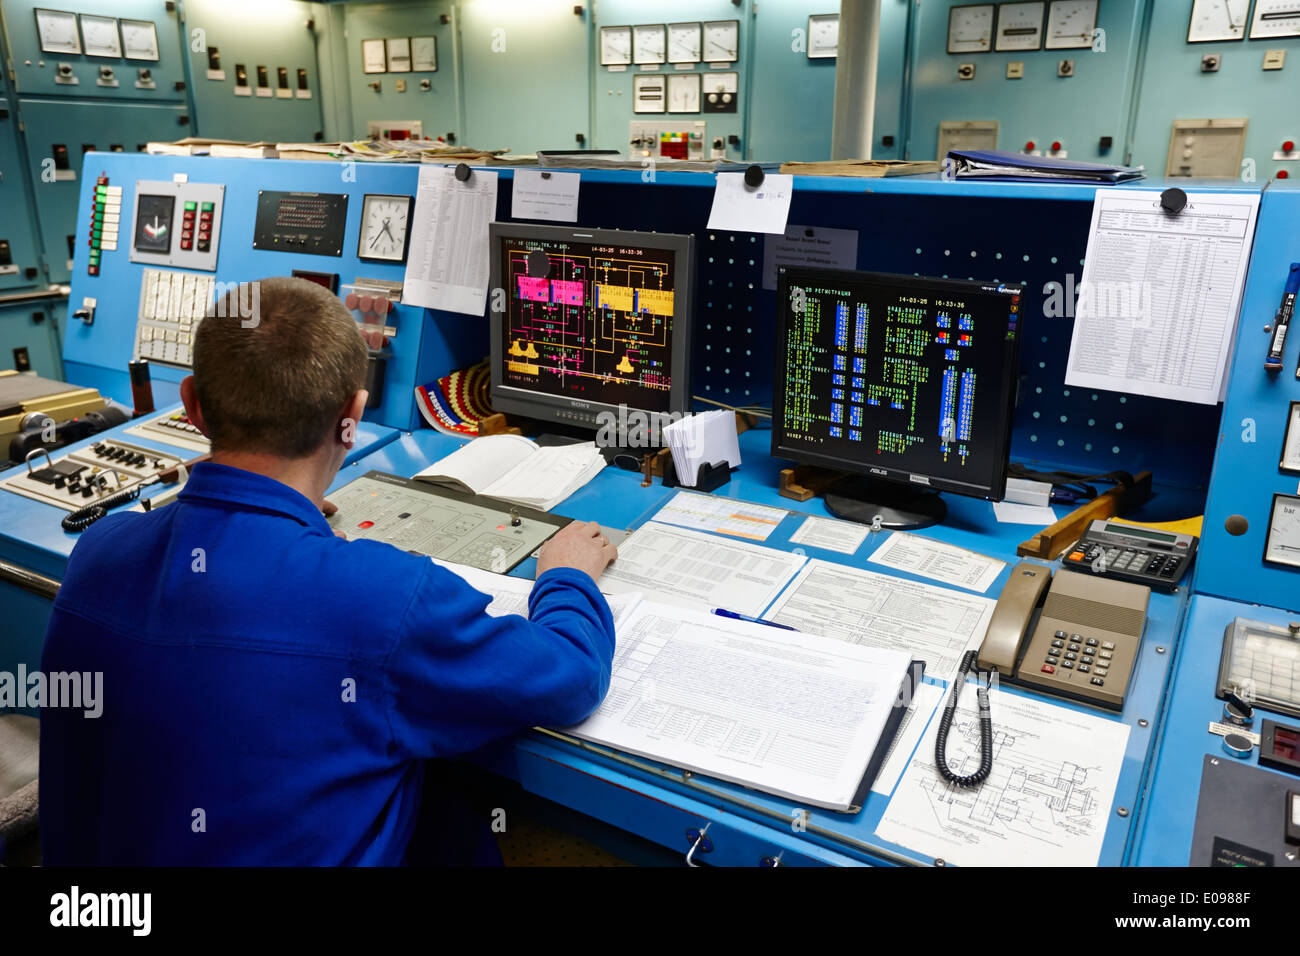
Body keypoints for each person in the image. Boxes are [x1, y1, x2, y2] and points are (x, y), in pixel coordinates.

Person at [39, 276, 618, 865]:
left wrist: (275, 523)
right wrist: (566, 575)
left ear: (191, 405)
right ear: (354, 413)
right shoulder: (384, 599)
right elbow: (570, 677)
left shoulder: (98, 551)